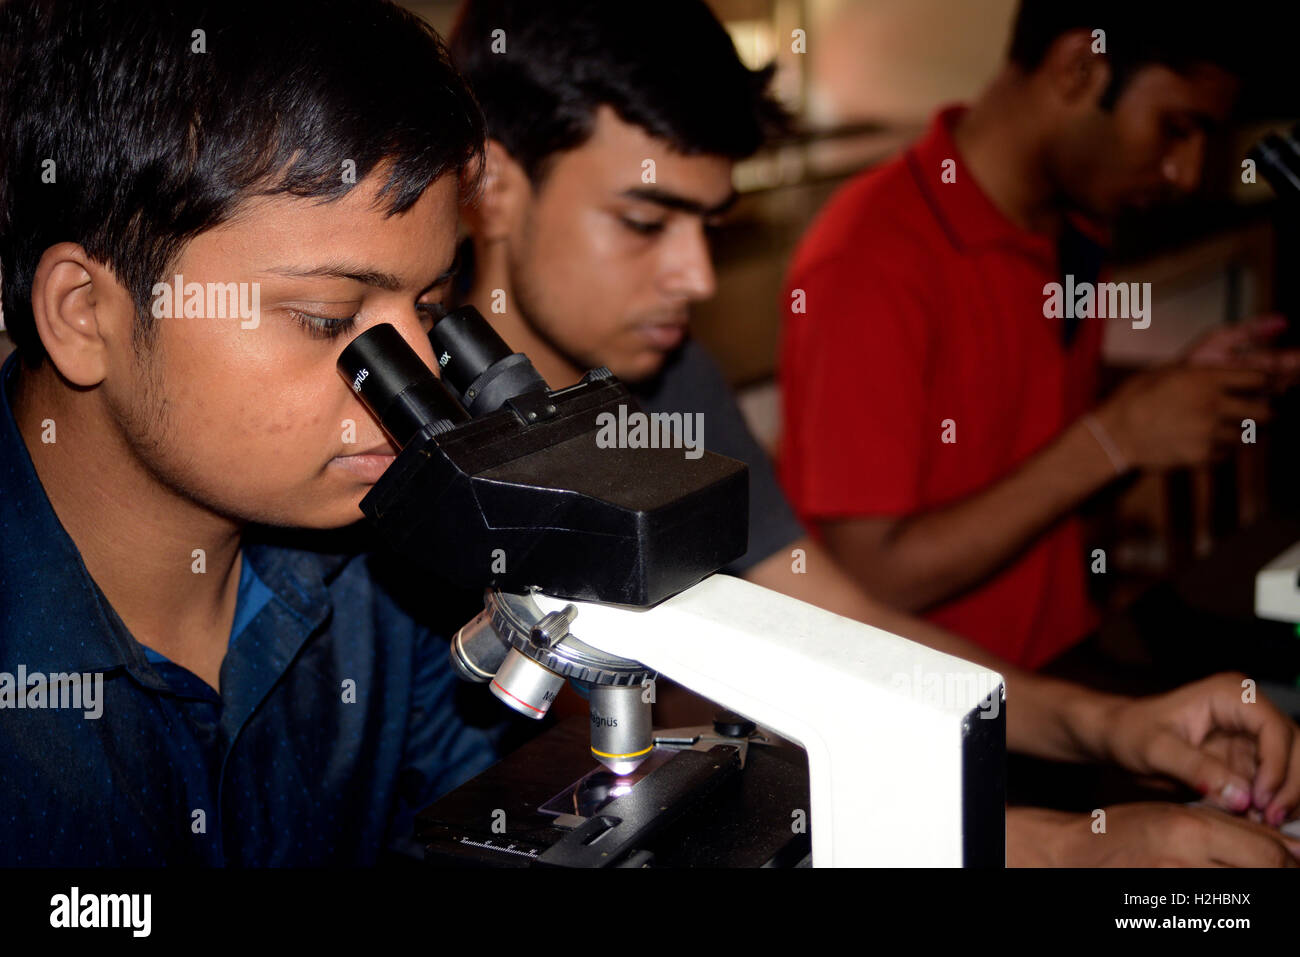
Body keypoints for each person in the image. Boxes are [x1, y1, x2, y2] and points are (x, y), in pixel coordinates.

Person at [448, 0, 1300, 865]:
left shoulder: (668, 381)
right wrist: (1071, 848)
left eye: (710, 224)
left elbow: (834, 626)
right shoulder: (397, 459)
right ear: (494, 186)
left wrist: (1110, 726)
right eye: (644, 221)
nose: (697, 276)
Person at [0, 0, 526, 865]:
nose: (418, 382)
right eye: (327, 318)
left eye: (428, 309)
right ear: (85, 313)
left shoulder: (395, 583)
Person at [779, 0, 1300, 672]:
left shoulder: (1073, 229)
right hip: (930, 723)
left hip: (1058, 679)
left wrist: (1170, 399)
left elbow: (1027, 448)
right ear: (1079, 67)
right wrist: (1118, 436)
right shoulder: (867, 258)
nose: (1186, 172)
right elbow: (872, 577)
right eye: (1176, 128)